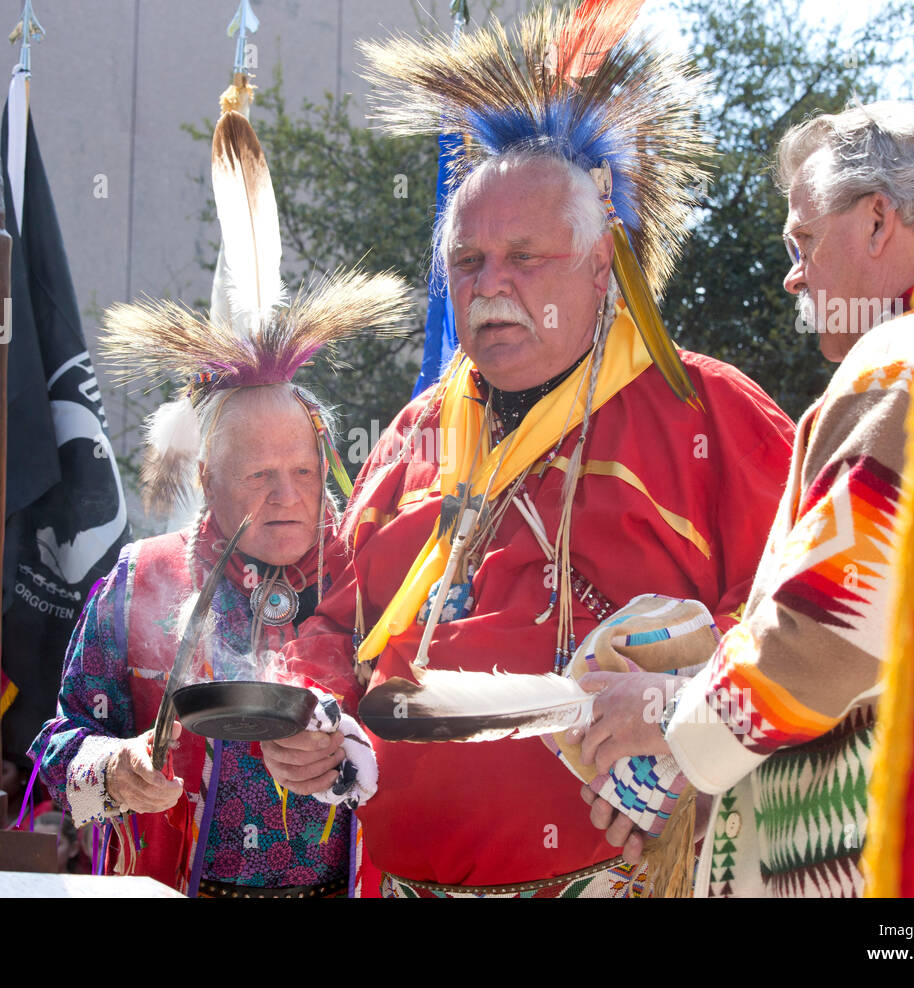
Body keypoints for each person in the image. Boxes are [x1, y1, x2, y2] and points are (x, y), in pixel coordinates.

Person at [260, 9, 796, 898]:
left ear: (601, 267)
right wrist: (312, 710)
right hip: (401, 879)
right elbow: (334, 624)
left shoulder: (708, 415)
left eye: (523, 257)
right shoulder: (415, 435)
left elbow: (805, 626)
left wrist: (678, 706)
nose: (489, 285)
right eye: (466, 261)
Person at [25, 104, 412, 896]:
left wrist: (356, 752)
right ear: (206, 479)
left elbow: (434, 737)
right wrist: (116, 764)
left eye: (302, 472)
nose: (286, 497)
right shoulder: (141, 580)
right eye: (256, 476)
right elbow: (56, 746)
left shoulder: (374, 580)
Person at [577, 101, 914, 897]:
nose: (792, 273)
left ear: (879, 221)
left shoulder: (908, 363)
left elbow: (826, 632)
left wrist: (671, 716)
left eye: (802, 240)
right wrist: (707, 784)